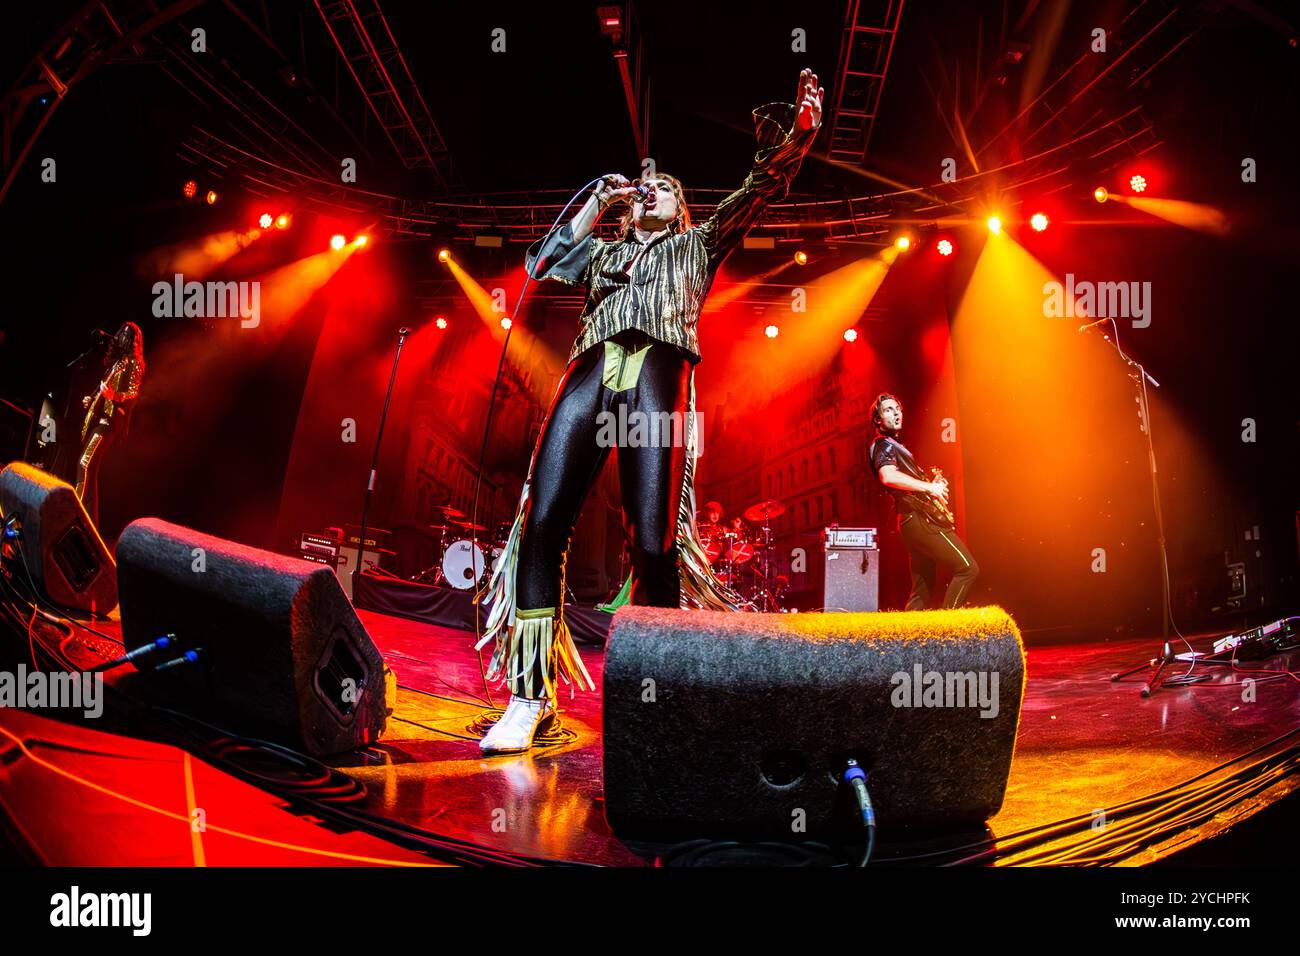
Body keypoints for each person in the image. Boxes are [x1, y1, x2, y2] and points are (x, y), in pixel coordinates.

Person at [476, 69, 825, 754]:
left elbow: (762, 186)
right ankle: (527, 698)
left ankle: (660, 697)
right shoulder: (604, 250)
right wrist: (599, 199)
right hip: (589, 367)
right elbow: (544, 262)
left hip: (659, 370)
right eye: (647, 188)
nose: (654, 190)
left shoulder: (699, 243)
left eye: (667, 188)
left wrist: (799, 139)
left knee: (654, 542)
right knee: (541, 521)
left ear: (683, 209)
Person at [868, 393, 978, 611]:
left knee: (922, 591)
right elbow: (888, 477)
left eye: (898, 408)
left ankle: (907, 642)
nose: (896, 412)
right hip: (919, 520)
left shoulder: (892, 444)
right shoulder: (883, 445)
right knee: (967, 569)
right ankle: (949, 630)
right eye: (888, 410)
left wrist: (930, 484)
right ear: (877, 419)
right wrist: (930, 488)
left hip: (910, 521)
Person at [77, 323, 145, 526]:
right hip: (102, 417)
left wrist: (112, 395)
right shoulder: (117, 362)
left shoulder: (134, 362)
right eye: (122, 333)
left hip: (113, 420)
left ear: (134, 340)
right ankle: (90, 523)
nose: (123, 337)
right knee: (92, 468)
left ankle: (73, 510)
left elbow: (133, 393)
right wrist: (92, 398)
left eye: (128, 335)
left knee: (84, 462)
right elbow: (104, 387)